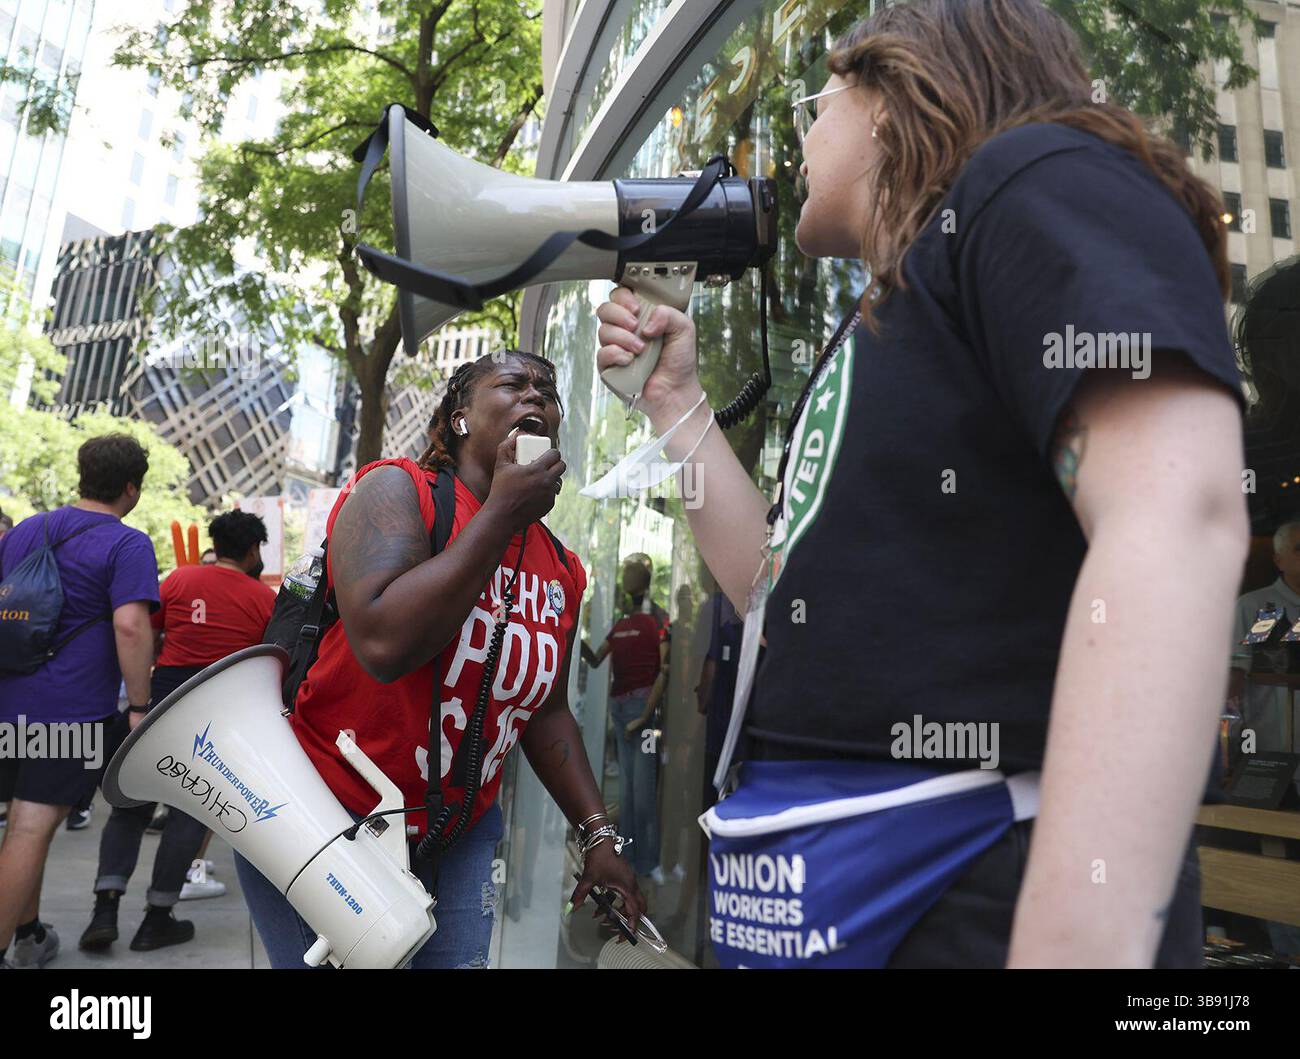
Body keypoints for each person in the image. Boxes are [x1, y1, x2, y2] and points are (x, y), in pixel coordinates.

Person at [595, 0, 1249, 967]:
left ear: (892, 98)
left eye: (819, 101)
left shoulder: (1030, 176)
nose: (802, 135)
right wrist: (676, 404)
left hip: (969, 884)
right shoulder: (887, 318)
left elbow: (1179, 512)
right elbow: (773, 597)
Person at [233, 349, 644, 968]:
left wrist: (599, 835)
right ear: (460, 418)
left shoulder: (561, 568)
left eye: (548, 391)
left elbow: (546, 709)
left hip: (458, 833)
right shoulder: (396, 489)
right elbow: (383, 644)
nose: (537, 396)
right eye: (513, 384)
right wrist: (502, 512)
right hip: (328, 818)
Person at [79, 510, 275, 954]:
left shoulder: (178, 581)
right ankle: (157, 916)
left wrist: (140, 699)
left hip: (161, 702)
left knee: (129, 810)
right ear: (252, 550)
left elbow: (148, 635)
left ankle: (104, 910)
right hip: (216, 715)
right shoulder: (262, 598)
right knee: (191, 812)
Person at [0, 434, 159, 969]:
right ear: (131, 488)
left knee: (21, 823)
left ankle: (30, 935)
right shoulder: (128, 543)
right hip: (70, 710)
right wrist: (139, 706)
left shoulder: (25, 530)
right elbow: (131, 627)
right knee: (30, 826)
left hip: (7, 700)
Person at [581, 554, 671, 883]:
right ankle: (631, 857)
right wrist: (573, 631)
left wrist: (646, 715)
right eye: (625, 574)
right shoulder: (622, 623)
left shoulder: (658, 618)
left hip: (642, 712)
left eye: (631, 574)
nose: (626, 580)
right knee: (630, 792)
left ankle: (649, 861)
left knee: (644, 793)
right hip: (620, 711)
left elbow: (665, 671)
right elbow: (595, 659)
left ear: (644, 581)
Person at [1228, 521, 1300, 756]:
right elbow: (1235, 675)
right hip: (1269, 743)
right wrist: (1232, 738)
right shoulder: (1259, 608)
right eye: (1299, 549)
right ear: (1279, 560)